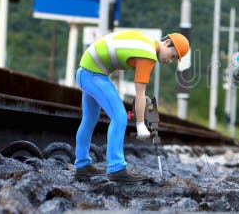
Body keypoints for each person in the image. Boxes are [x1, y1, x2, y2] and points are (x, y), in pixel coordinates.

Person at [73, 31, 189, 183]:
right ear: (167, 43)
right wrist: (140, 124)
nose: (170, 61)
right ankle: (116, 168)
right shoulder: (148, 55)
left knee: (90, 118)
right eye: (173, 56)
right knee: (119, 117)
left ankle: (82, 165)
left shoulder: (146, 42)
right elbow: (140, 93)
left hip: (85, 71)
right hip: (93, 74)